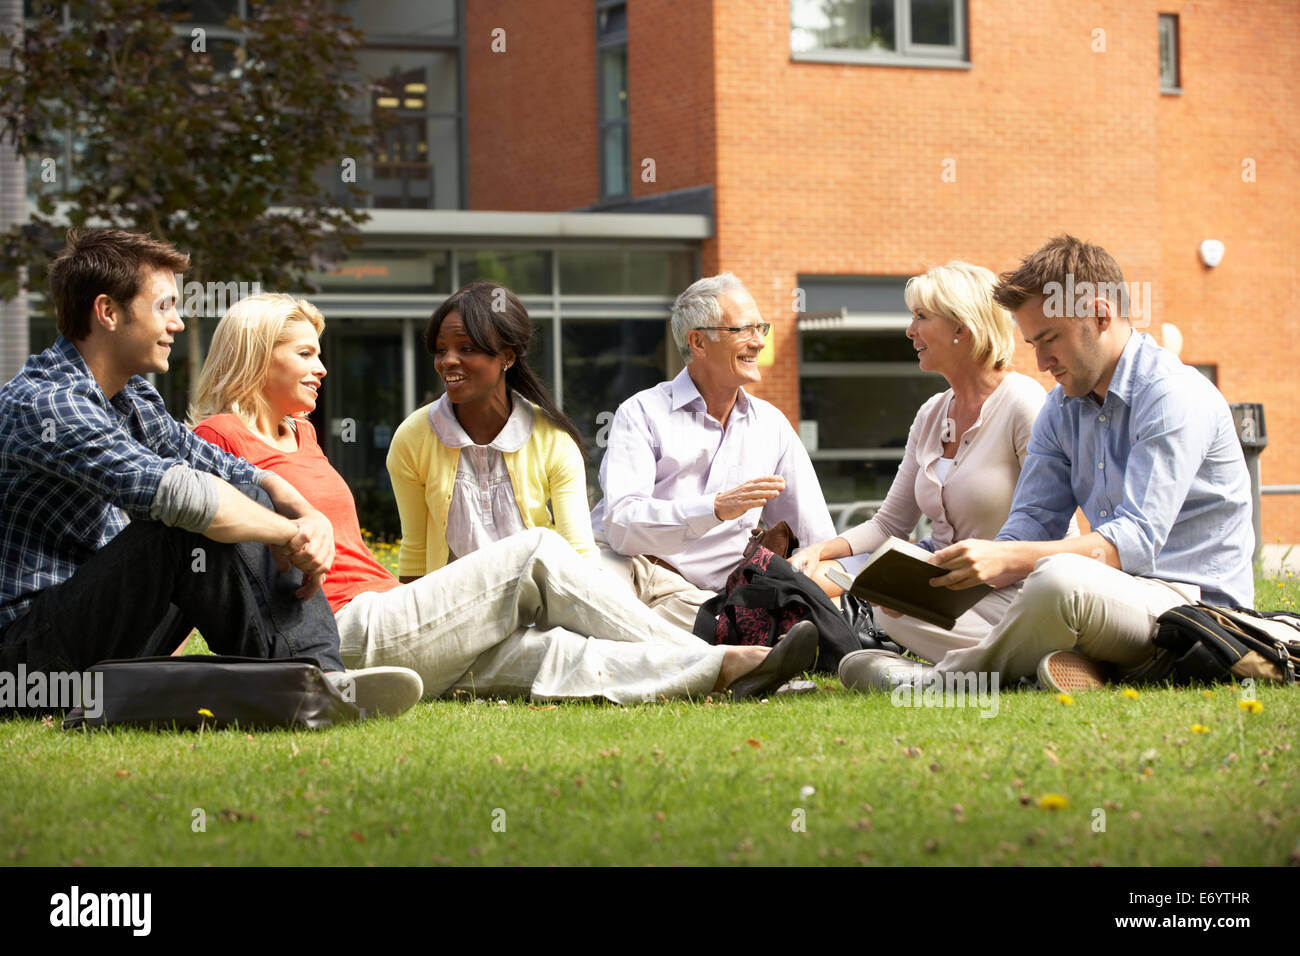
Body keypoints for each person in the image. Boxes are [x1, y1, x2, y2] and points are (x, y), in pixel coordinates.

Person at [191, 293, 819, 703]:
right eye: (305, 353)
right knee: (532, 553)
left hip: (390, 614)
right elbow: (198, 546)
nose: (322, 367)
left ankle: (729, 678)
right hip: (338, 629)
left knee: (552, 654)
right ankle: (732, 658)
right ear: (253, 356)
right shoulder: (217, 438)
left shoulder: (297, 433)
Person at [0, 230, 420, 717]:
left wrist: (303, 508)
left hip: (102, 638)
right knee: (188, 526)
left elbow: (215, 464)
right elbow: (180, 495)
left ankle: (317, 680)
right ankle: (316, 681)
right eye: (164, 307)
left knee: (241, 494)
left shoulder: (133, 396)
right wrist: (289, 533)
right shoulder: (47, 403)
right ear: (108, 312)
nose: (177, 323)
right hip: (28, 660)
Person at [840, 236, 1254, 694]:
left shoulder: (1172, 395)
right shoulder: (1063, 407)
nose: (1039, 362)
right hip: (1108, 601)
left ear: (1100, 316)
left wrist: (1006, 557)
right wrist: (945, 580)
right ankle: (1060, 666)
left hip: (1191, 614)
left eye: (1050, 339)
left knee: (1058, 581)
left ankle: (944, 683)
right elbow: (1030, 525)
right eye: (1033, 343)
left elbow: (1134, 542)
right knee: (901, 605)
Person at [791, 261, 1071, 663]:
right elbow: (889, 524)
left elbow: (1061, 528)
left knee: (884, 637)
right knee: (893, 613)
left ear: (962, 327)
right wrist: (822, 551)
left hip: (1022, 590)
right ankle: (1017, 663)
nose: (910, 330)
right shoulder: (930, 414)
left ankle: (979, 665)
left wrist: (996, 569)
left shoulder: (1024, 402)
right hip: (955, 596)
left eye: (921, 317)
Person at [591, 273, 838, 632]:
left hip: (705, 598)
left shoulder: (772, 426)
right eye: (743, 330)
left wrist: (844, 584)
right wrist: (715, 508)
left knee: (712, 628)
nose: (759, 342)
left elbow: (818, 540)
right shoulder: (641, 412)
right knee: (607, 612)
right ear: (699, 342)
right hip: (631, 570)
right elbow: (621, 526)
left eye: (761, 328)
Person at [387, 283, 595, 583]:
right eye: (441, 349)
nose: (447, 361)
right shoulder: (413, 438)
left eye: (467, 348)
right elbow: (415, 552)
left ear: (507, 358)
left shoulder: (553, 440)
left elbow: (579, 552)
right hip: (450, 608)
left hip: (537, 605)